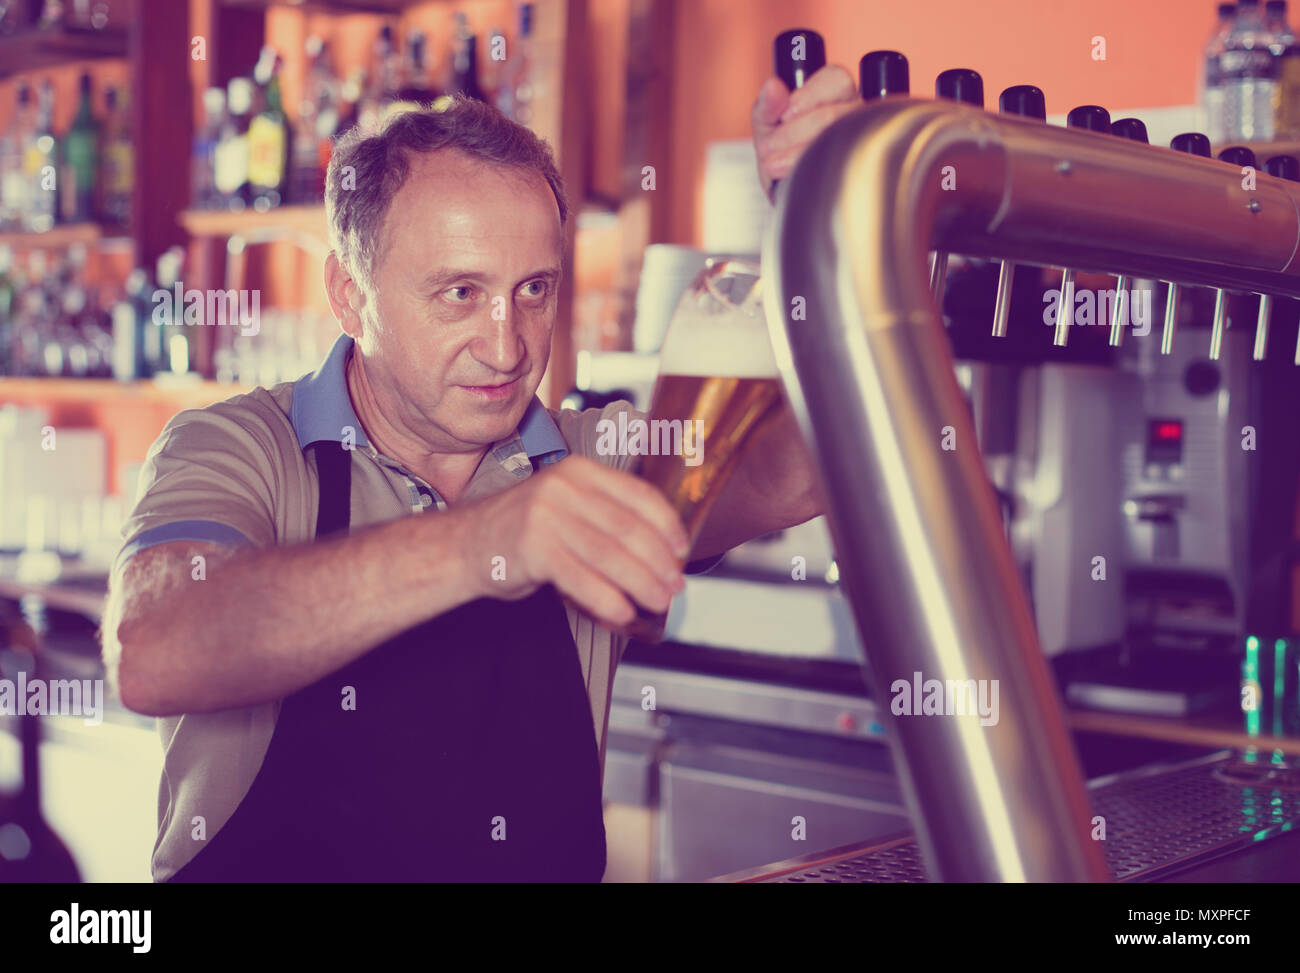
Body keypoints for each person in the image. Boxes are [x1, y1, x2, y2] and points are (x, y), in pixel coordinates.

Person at [102, 62, 861, 882]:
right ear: (350, 296)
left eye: (533, 290)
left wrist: (829, 222)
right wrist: (485, 541)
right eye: (460, 292)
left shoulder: (594, 459)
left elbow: (801, 472)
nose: (507, 347)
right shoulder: (243, 447)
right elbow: (154, 647)